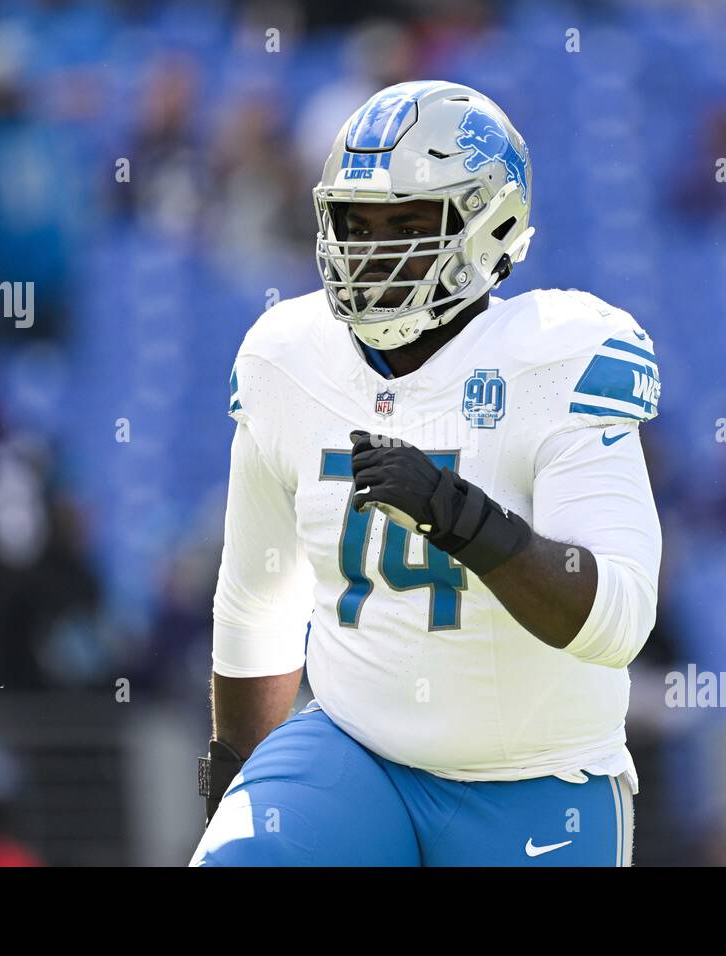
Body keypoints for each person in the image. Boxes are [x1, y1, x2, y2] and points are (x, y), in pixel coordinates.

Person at [190, 82, 662, 866]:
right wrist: (238, 773)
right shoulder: (285, 355)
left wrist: (461, 519)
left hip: (536, 781)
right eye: (358, 224)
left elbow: (617, 619)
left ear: (492, 223)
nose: (374, 251)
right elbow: (257, 601)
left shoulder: (559, 355)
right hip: (354, 755)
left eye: (409, 224)